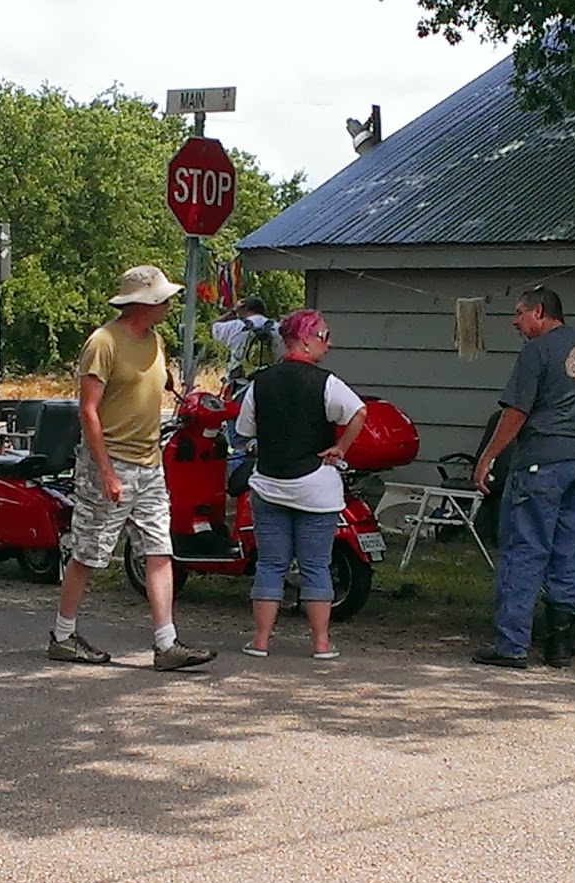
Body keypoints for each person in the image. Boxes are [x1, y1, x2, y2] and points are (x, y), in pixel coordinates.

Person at [48, 264, 217, 672]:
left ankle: (166, 643)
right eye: (163, 297)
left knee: (160, 551)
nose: (169, 303)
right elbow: (88, 410)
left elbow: (151, 384)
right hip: (110, 463)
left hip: (149, 463)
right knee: (89, 552)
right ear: (144, 302)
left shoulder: (156, 340)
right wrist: (105, 472)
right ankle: (62, 635)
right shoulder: (103, 342)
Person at [471, 288, 575, 668]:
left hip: (542, 461)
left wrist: (488, 457)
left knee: (524, 549)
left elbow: (516, 413)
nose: (515, 321)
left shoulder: (536, 351)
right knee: (569, 550)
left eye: (519, 313)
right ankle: (560, 649)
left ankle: (512, 646)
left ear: (539, 312)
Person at [233, 309, 367, 659]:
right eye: (324, 335)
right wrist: (340, 448)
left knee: (270, 564)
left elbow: (244, 430)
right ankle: (321, 642)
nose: (329, 342)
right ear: (305, 340)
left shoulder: (260, 382)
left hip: (269, 483)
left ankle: (260, 640)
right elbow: (359, 412)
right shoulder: (326, 382)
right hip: (316, 488)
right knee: (316, 565)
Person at [211, 296, 281, 390]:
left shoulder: (235, 326)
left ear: (244, 308)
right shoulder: (278, 328)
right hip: (270, 383)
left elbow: (212, 327)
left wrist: (233, 311)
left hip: (240, 383)